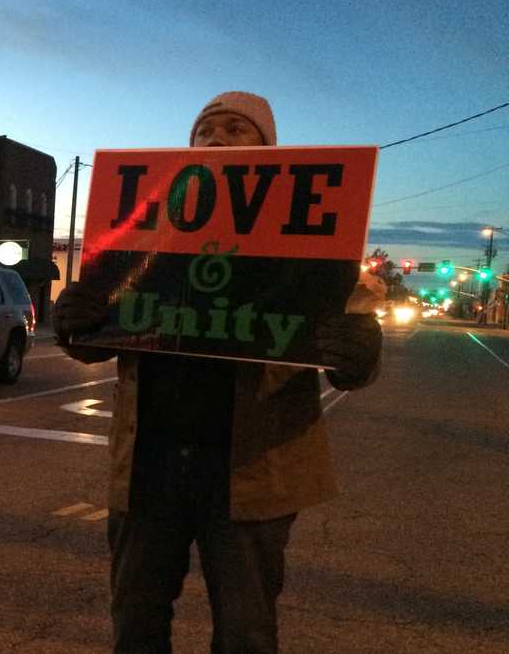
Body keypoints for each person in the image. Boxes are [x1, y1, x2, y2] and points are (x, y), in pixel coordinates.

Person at [54, 92, 384, 653]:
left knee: (246, 630)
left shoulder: (314, 250)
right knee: (135, 616)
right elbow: (104, 342)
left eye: (236, 129)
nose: (217, 141)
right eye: (205, 131)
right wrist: (77, 324)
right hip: (148, 463)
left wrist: (359, 350)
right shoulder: (148, 240)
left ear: (267, 149)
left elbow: (348, 362)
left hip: (251, 468)